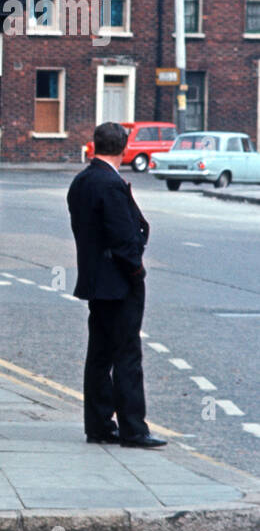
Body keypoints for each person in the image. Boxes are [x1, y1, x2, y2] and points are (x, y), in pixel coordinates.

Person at [67, 122, 165, 449]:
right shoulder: (109, 184)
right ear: (123, 149)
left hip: (96, 281)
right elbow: (124, 238)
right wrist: (136, 271)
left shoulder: (82, 181)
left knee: (99, 355)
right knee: (127, 356)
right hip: (119, 283)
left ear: (94, 145)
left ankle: (98, 425)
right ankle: (133, 430)